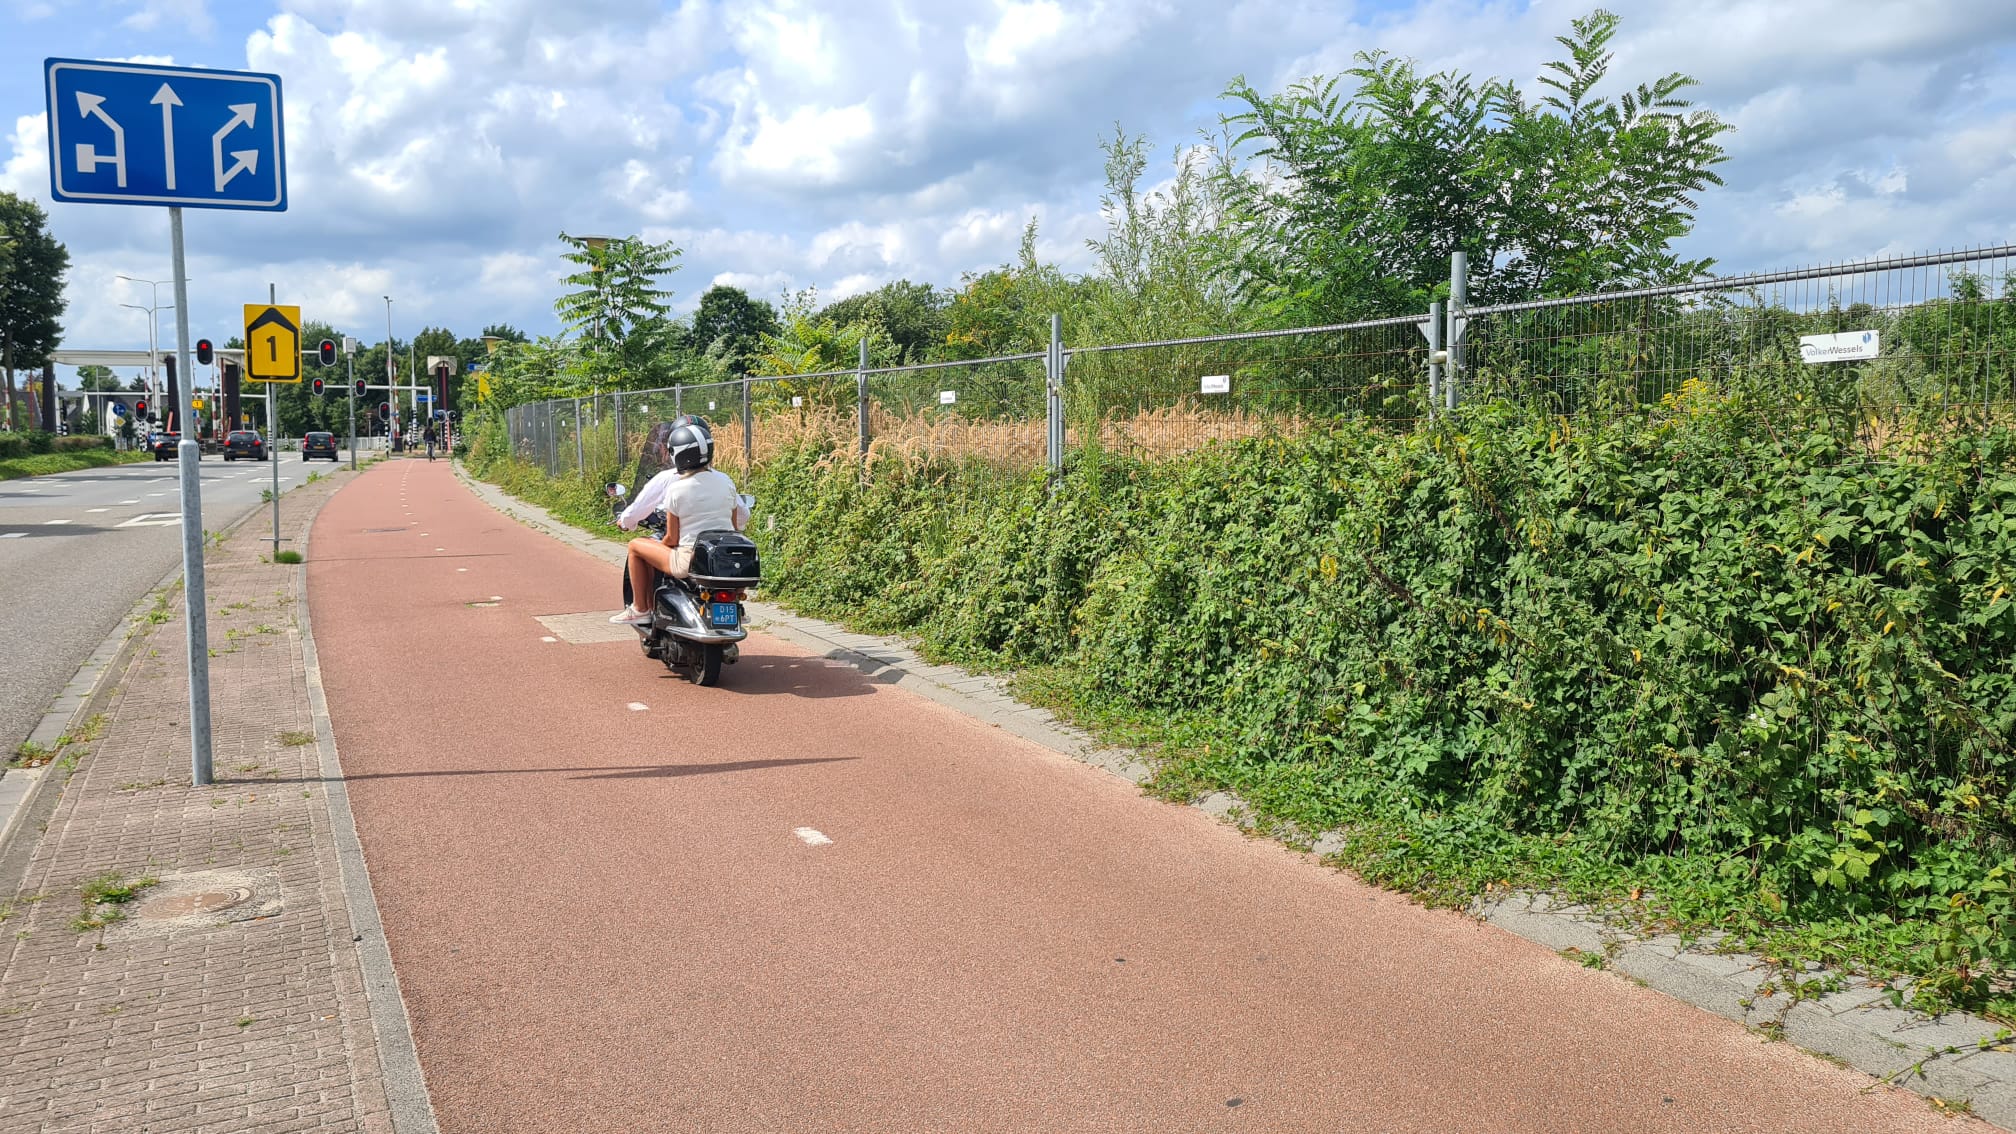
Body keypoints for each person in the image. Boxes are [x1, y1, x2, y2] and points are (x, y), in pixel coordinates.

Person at [611, 420, 748, 624]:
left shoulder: (676, 487)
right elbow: (735, 527)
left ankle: (640, 609)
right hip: (722, 557)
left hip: (688, 560)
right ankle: (736, 608)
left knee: (635, 546)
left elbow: (672, 538)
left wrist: (659, 545)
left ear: (677, 454)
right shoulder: (725, 481)